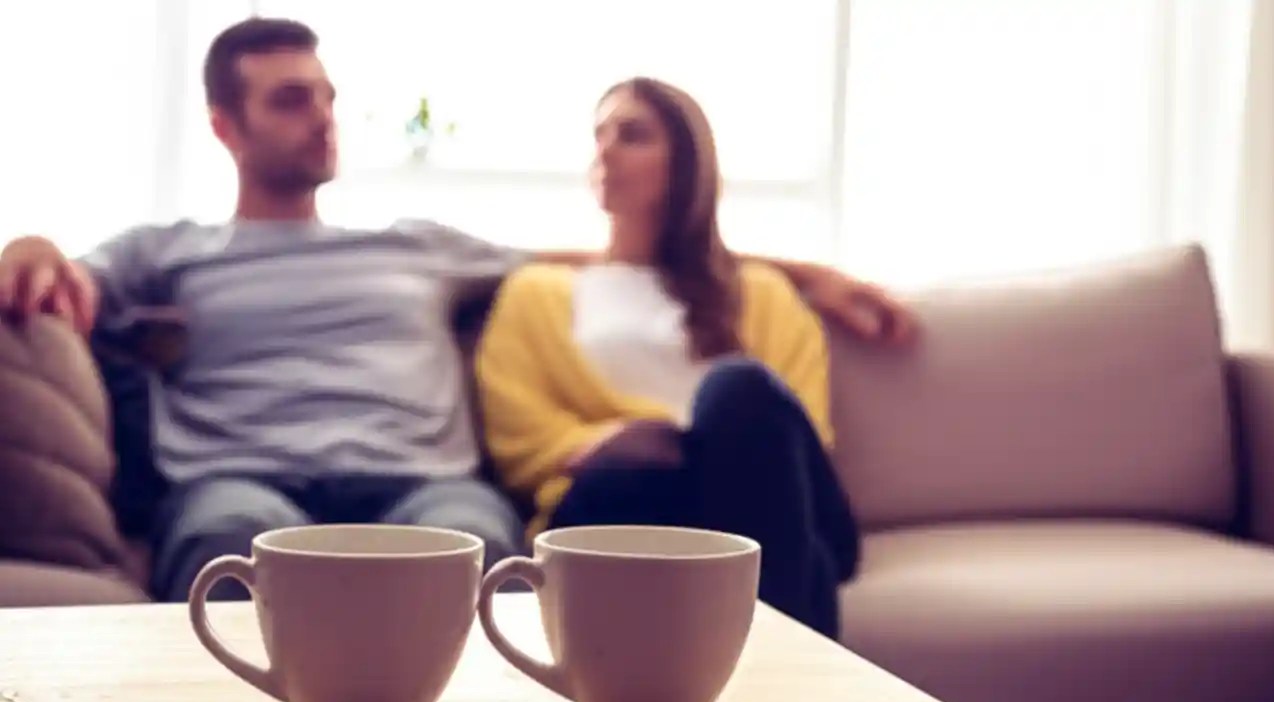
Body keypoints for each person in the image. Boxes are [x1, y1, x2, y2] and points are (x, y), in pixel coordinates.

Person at [0, 19, 912, 605]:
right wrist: (27, 243)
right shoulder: (170, 250)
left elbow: (617, 258)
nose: (322, 115)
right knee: (225, 548)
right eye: (290, 99)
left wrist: (806, 273)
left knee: (478, 549)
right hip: (242, 473)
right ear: (223, 127)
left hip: (418, 481)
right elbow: (63, 274)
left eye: (325, 95)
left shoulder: (418, 243)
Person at [475, 78, 896, 638]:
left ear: (686, 159)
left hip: (756, 495)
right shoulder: (536, 292)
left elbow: (800, 433)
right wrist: (611, 440)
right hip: (622, 498)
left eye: (632, 134)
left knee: (737, 388)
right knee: (640, 486)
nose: (605, 149)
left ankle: (777, 672)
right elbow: (517, 433)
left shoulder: (764, 293)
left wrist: (689, 440)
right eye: (599, 134)